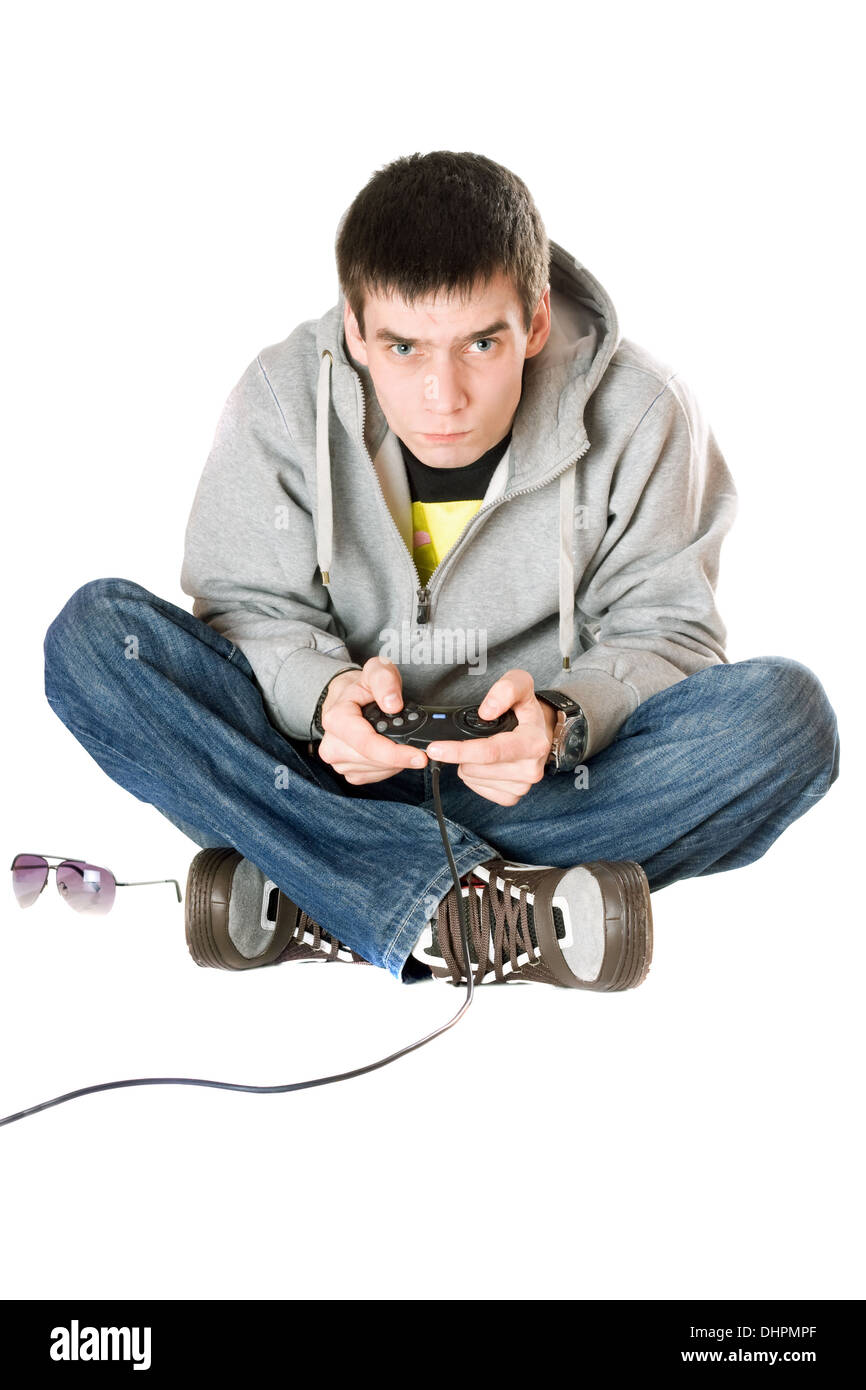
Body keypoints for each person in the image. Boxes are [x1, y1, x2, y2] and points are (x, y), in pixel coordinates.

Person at [42, 150, 840, 991]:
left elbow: (668, 634)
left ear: (532, 322)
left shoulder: (643, 409)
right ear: (355, 327)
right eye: (403, 348)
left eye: (481, 343)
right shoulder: (283, 396)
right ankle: (484, 907)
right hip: (325, 770)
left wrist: (564, 720)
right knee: (96, 642)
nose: (443, 396)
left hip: (539, 787)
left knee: (786, 722)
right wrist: (321, 694)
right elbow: (243, 608)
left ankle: (324, 887)